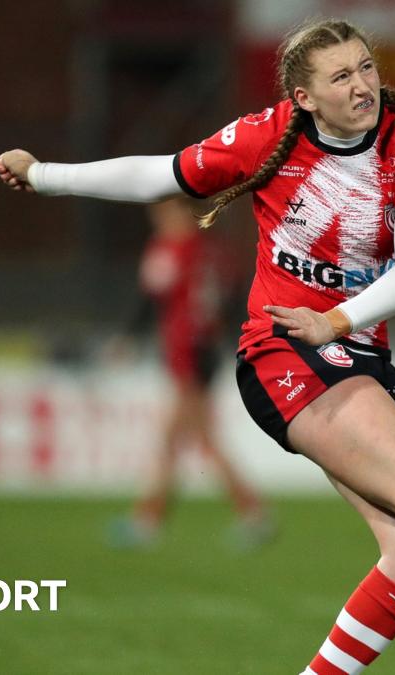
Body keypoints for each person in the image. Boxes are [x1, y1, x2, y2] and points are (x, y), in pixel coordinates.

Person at [0, 19, 395, 674]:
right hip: (282, 352)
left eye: (366, 67)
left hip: (352, 352)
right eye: (341, 76)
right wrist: (45, 175)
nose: (362, 85)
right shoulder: (268, 135)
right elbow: (163, 174)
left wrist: (337, 322)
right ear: (303, 97)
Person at [106, 198, 272, 549]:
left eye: (166, 213)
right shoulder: (212, 251)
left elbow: (151, 299)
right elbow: (230, 298)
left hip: (186, 351)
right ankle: (149, 519)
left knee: (194, 439)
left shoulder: (170, 249)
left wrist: (127, 338)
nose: (161, 220)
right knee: (180, 438)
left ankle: (251, 513)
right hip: (205, 349)